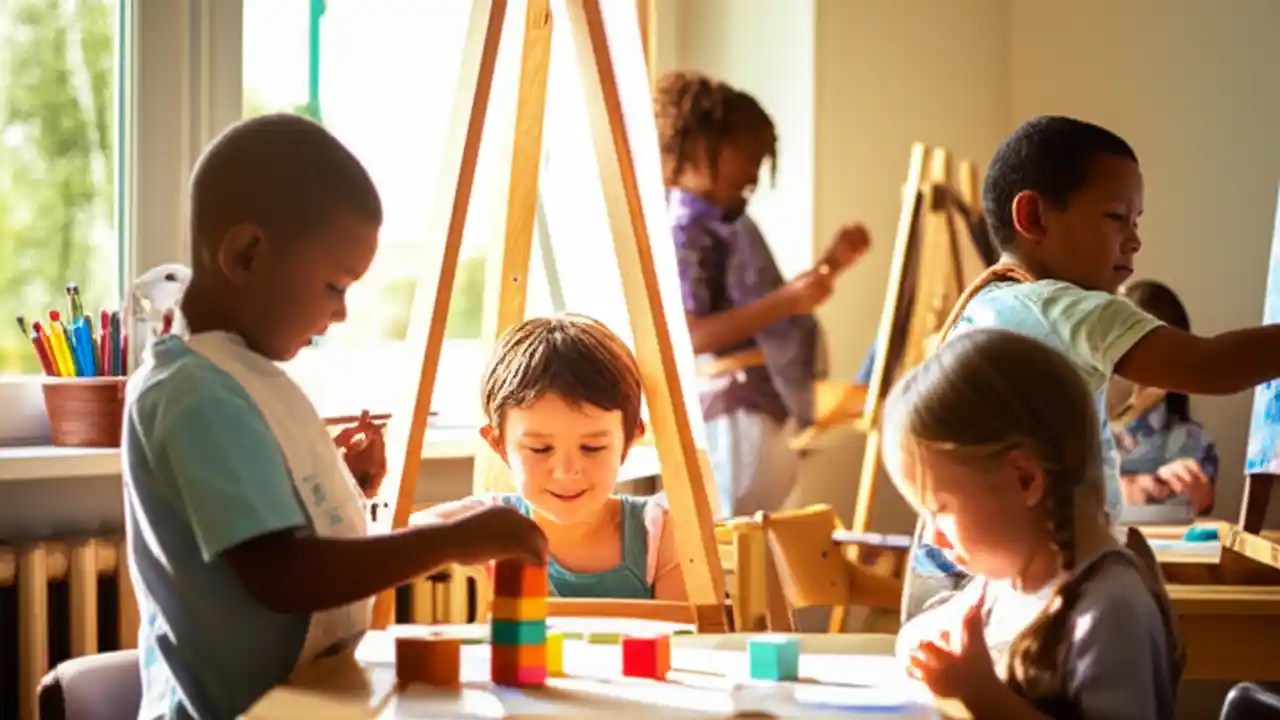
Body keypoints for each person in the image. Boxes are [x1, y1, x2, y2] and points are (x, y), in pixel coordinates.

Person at [122, 114, 547, 719]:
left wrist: (351, 486)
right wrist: (448, 541)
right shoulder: (195, 392)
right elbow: (284, 576)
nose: (341, 313)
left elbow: (275, 528)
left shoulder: (237, 373)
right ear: (247, 255)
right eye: (334, 286)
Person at [905, 114, 1280, 621]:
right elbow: (1212, 365)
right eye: (1115, 217)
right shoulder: (1070, 309)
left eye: (1137, 221)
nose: (1134, 240)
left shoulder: (982, 305)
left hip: (945, 579)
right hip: (1019, 590)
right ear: (1034, 217)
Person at [886, 328, 1182, 718]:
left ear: (1025, 479)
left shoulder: (1110, 610)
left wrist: (984, 696)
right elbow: (913, 637)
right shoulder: (1003, 586)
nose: (931, 535)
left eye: (939, 509)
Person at [654, 70, 871, 517]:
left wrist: (829, 266)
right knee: (743, 545)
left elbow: (759, 303)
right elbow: (692, 335)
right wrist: (790, 301)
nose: (756, 170)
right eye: (748, 155)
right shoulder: (686, 230)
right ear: (697, 149)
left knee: (756, 543)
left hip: (759, 403)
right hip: (735, 409)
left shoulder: (725, 221)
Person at [414, 315, 686, 601]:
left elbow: (689, 640)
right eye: (540, 449)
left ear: (628, 440)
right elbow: (391, 543)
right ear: (498, 445)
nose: (566, 472)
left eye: (592, 447)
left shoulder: (659, 532)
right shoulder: (481, 528)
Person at [1112, 280, 1218, 515]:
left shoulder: (1190, 440)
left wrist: (1197, 491)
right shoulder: (1074, 428)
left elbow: (1200, 504)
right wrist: (1125, 487)